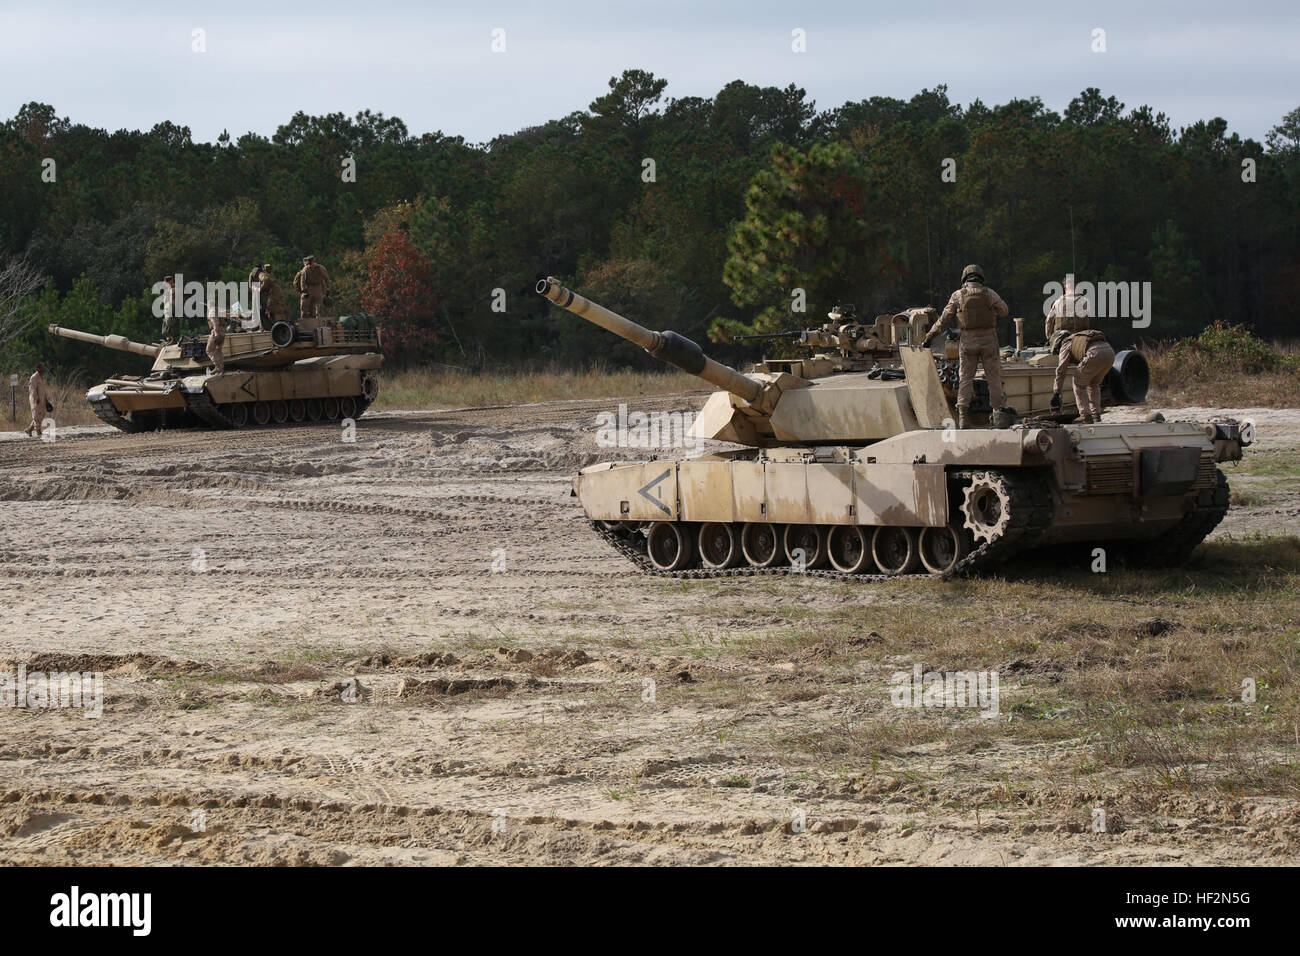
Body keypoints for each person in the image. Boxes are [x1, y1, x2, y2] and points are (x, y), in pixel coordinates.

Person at [921, 264, 1009, 428]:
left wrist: (930, 336)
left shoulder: (958, 295)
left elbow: (944, 319)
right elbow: (1004, 311)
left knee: (965, 379)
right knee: (994, 378)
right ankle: (998, 414)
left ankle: (963, 417)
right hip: (988, 340)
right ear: (981, 277)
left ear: (964, 279)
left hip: (968, 341)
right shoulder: (990, 294)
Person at [1050, 328, 1115, 424]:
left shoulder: (1066, 343)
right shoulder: (1079, 338)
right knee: (1094, 384)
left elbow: (1061, 370)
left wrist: (1056, 392)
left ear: (1058, 341)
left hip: (1094, 354)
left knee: (1078, 383)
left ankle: (1086, 416)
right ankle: (1096, 415)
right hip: (1109, 353)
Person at [1045, 274, 1090, 342]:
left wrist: (1049, 338)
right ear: (1076, 287)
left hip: (1061, 339)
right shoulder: (1084, 301)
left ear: (1065, 288)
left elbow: (1049, 321)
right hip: (1081, 339)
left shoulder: (1057, 302)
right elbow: (1086, 321)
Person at [292, 255, 330, 323]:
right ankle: (304, 322)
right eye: (309, 264)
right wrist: (304, 291)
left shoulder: (320, 268)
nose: (310, 265)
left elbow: (326, 278)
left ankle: (319, 321)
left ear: (313, 262)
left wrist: (328, 289)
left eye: (311, 263)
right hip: (308, 288)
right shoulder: (305, 269)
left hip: (318, 288)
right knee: (304, 305)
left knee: (319, 306)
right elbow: (302, 280)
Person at [24, 363, 51, 438]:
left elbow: (43, 390)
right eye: (42, 368)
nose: (44, 369)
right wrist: (36, 398)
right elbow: (32, 389)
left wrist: (46, 399)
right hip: (36, 399)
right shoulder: (34, 377)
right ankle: (38, 431)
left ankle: (29, 429)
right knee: (36, 415)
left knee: (41, 414)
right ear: (38, 368)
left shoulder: (41, 377)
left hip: (42, 399)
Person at [206, 308, 227, 374]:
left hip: (216, 332)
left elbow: (215, 323)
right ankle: (221, 368)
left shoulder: (212, 311)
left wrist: (216, 332)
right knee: (218, 351)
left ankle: (218, 366)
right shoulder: (220, 311)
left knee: (209, 350)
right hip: (223, 332)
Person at [161, 275, 180, 343]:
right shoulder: (170, 289)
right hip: (170, 307)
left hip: (170, 307)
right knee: (170, 322)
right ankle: (171, 338)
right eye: (171, 281)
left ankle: (171, 338)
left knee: (171, 322)